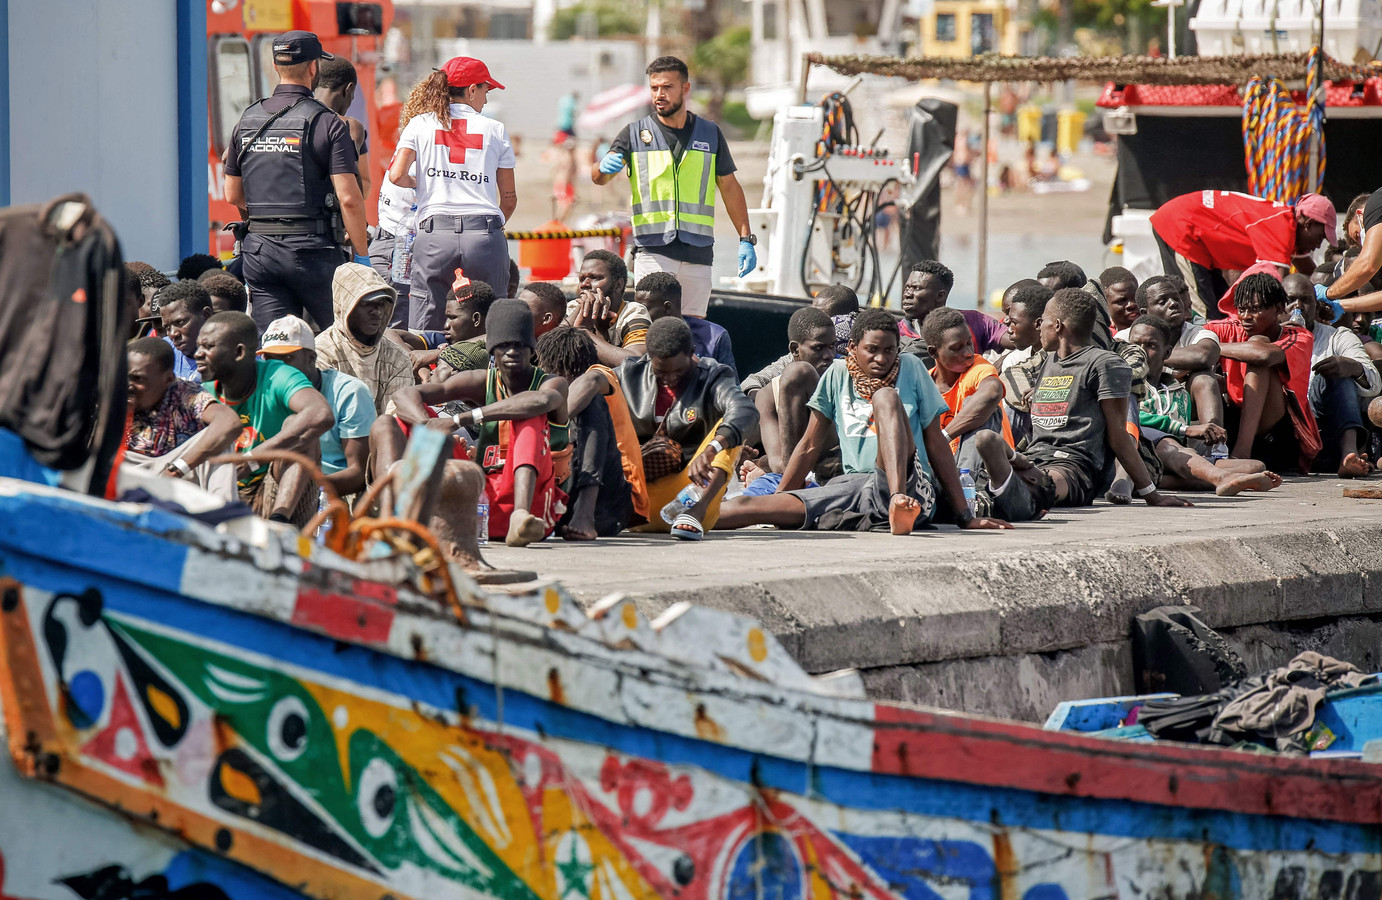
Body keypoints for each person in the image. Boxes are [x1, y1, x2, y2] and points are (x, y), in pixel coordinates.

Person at [716, 309, 1012, 534]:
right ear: (853, 348)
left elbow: (935, 442)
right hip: (857, 484)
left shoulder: (911, 368)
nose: (882, 359)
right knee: (752, 506)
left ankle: (898, 501)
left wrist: (965, 516)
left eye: (889, 350)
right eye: (872, 349)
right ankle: (684, 517)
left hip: (913, 487)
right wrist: (781, 497)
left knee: (885, 397)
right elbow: (808, 446)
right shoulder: (835, 375)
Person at [966, 290, 1191, 519]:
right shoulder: (1049, 362)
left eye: (1042, 320)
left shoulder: (1106, 364)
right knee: (984, 453)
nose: (1038, 326)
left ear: (1057, 326)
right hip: (1035, 457)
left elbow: (1118, 436)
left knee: (1043, 481)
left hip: (1076, 466)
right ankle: (1000, 488)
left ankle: (1020, 496)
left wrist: (1151, 494)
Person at [385, 299, 570, 546]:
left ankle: (519, 515)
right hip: (483, 501)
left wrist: (462, 418)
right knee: (397, 421)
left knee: (529, 414)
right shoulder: (481, 381)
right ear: (492, 351)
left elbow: (540, 401)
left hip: (535, 509)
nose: (512, 352)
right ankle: (395, 517)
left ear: (532, 349)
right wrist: (427, 425)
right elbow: (404, 395)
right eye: (504, 346)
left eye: (519, 345)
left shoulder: (551, 383)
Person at [223, 31, 369, 332]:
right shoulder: (328, 123)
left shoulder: (246, 120)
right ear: (314, 68)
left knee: (277, 344)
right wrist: (363, 257)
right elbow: (350, 198)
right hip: (314, 253)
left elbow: (232, 194)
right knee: (345, 339)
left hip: (260, 254)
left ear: (276, 67)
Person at [591, 56, 756, 319]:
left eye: (667, 87)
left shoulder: (710, 134)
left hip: (698, 252)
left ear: (685, 89)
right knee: (652, 328)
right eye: (654, 88)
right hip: (653, 250)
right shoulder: (633, 133)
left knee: (695, 330)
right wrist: (602, 167)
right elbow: (599, 179)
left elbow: (729, 187)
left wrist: (746, 239)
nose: (659, 94)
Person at [388, 57, 516, 331]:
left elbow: (396, 175)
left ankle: (425, 372)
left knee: (424, 320)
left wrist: (423, 185)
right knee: (494, 320)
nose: (485, 99)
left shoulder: (420, 124)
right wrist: (491, 229)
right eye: (485, 91)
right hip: (484, 235)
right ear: (471, 90)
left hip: (435, 235)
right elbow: (509, 198)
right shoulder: (495, 129)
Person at [616, 317, 757, 538]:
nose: (670, 379)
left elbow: (745, 410)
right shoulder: (628, 374)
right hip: (635, 505)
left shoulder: (713, 376)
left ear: (692, 352)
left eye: (679, 371)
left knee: (728, 429)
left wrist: (712, 448)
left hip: (689, 499)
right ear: (648, 358)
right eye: (661, 373)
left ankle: (695, 513)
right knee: (600, 402)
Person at [195, 311, 335, 525]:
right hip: (223, 491)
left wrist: (252, 459)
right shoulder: (202, 392)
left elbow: (321, 415)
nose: (197, 354)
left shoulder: (277, 375)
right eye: (199, 347)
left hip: (274, 487)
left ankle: (279, 525)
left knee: (301, 430)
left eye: (208, 347)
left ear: (239, 352)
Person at [1125, 316, 1282, 496]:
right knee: (1170, 445)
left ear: (1167, 353)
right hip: (1142, 452)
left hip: (1175, 461)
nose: (1140, 351)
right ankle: (1219, 479)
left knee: (1254, 466)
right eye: (1134, 345)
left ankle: (1162, 481)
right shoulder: (1125, 382)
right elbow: (1129, 417)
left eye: (1151, 346)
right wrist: (1185, 429)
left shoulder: (1177, 391)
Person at [1150, 190, 1336, 318]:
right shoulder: (1281, 225)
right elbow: (1277, 288)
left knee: (1222, 312)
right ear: (1308, 224)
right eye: (1321, 237)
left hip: (1193, 232)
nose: (1319, 244)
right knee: (1202, 314)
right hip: (1180, 227)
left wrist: (1329, 295)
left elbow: (1310, 271)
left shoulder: (1287, 226)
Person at [1207, 270, 1322, 474]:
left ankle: (1241, 453)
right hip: (1236, 418)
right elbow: (1193, 340)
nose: (1245, 317)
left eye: (1255, 310)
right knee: (1204, 377)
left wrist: (1212, 349)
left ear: (1279, 308)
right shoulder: (1229, 329)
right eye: (1241, 310)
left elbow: (1263, 355)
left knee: (1258, 349)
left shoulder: (1299, 335)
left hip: (1279, 432)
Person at [258, 315, 375, 497]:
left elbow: (358, 473)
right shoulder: (262, 390)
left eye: (286, 358)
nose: (277, 368)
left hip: (333, 494)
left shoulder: (349, 392)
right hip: (272, 486)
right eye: (270, 359)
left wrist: (307, 490)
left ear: (311, 358)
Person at [536, 326, 636, 539]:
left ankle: (585, 514)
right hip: (565, 499)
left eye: (545, 367)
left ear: (560, 369)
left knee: (593, 403)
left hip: (611, 502)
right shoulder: (545, 390)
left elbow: (591, 381)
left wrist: (553, 421)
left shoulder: (599, 376)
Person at [1284, 273, 1379, 476]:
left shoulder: (1337, 336)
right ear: (1276, 305)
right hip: (1284, 430)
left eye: (1306, 300)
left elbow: (1375, 383)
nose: (1298, 306)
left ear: (1318, 306)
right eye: (1290, 300)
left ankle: (1349, 455)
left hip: (1322, 429)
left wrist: (1352, 367)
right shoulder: (1269, 336)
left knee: (1339, 369)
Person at [124, 338, 241, 500]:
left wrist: (177, 468)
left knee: (220, 441)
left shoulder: (186, 393)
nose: (129, 385)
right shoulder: (113, 391)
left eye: (138, 379)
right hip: (125, 470)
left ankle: (223, 515)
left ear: (168, 379)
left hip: (169, 474)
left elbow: (229, 423)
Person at [744, 306, 840, 493]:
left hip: (837, 476)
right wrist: (768, 463)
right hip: (798, 479)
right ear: (795, 349)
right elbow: (780, 463)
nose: (829, 355)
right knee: (799, 372)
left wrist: (760, 463)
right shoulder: (768, 396)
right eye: (819, 348)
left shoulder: (843, 375)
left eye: (832, 346)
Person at [1113, 275, 1224, 429]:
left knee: (1204, 377)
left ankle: (1216, 445)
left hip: (1184, 407)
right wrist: (1172, 367)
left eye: (1175, 298)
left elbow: (1203, 356)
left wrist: (1153, 359)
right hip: (1144, 409)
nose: (1173, 304)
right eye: (1162, 301)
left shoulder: (1198, 333)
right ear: (1145, 313)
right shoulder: (1126, 336)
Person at [313, 262, 412, 416]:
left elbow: (396, 419)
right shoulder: (320, 353)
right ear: (346, 307)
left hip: (385, 436)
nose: (377, 312)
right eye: (368, 305)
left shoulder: (397, 357)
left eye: (381, 304)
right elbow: (325, 416)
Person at [922, 307, 1013, 470]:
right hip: (942, 472)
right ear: (934, 352)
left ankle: (970, 487)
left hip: (988, 471)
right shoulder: (924, 384)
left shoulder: (978, 367)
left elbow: (992, 391)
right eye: (957, 348)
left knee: (982, 407)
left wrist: (944, 438)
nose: (969, 353)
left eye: (969, 343)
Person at [741, 285, 859, 395]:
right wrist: (758, 399)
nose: (811, 321)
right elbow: (754, 381)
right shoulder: (801, 355)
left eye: (820, 317)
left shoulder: (864, 356)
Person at [392, 276, 496, 381]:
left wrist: (440, 354)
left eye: (453, 318)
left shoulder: (499, 349)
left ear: (476, 319)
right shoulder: (445, 339)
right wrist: (420, 366)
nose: (446, 325)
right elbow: (389, 334)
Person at [899, 260, 1006, 360]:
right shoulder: (897, 332)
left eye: (916, 288)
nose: (907, 294)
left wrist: (1000, 363)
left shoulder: (976, 322)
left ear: (940, 296)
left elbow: (1017, 340)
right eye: (907, 287)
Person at [637, 271, 737, 377]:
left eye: (643, 309)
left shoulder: (715, 336)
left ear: (667, 308)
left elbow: (730, 385)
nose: (638, 314)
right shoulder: (635, 336)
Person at [566, 250, 651, 366]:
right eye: (581, 279)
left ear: (618, 285)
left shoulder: (633, 312)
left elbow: (636, 362)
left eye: (595, 278)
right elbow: (547, 351)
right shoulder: (572, 308)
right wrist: (580, 311)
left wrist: (582, 331)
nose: (584, 284)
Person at [314, 56, 371, 200]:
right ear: (349, 89)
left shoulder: (290, 120)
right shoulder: (351, 128)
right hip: (330, 219)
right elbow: (360, 187)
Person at [156, 281, 213, 383]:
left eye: (179, 322)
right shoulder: (163, 353)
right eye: (167, 328)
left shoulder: (229, 358)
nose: (173, 334)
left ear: (206, 315)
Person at [1100, 266, 1140, 333]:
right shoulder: (1104, 339)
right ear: (1105, 305)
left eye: (1135, 297)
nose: (1131, 305)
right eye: (1121, 301)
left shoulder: (1158, 333)